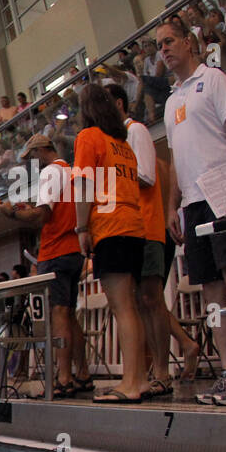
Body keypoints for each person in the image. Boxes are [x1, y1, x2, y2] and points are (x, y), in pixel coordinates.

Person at [160, 15, 226, 405]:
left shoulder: (215, 80)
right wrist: (173, 207)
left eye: (170, 41)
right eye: (160, 45)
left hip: (221, 195)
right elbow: (176, 157)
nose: (164, 49)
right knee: (213, 294)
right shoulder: (171, 102)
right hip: (192, 203)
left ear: (189, 42)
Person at [107, 83, 201, 397]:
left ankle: (162, 371)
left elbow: (145, 174)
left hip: (148, 228)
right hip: (133, 229)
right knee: (142, 301)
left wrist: (109, 177)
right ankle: (180, 349)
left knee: (150, 300)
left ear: (119, 104)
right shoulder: (119, 140)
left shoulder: (135, 132)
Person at [70, 83, 147, 403]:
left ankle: (133, 382)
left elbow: (84, 186)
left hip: (111, 227)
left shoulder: (89, 138)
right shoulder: (122, 144)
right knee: (132, 306)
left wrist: (82, 227)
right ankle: (138, 378)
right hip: (134, 227)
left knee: (123, 307)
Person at [0, 134, 89, 396]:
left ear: (39, 151)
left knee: (59, 314)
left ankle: (63, 378)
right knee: (70, 314)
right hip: (74, 251)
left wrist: (12, 212)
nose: (30, 164)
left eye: (31, 158)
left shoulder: (50, 172)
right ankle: (82, 374)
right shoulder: (70, 171)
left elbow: (42, 215)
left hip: (56, 251)